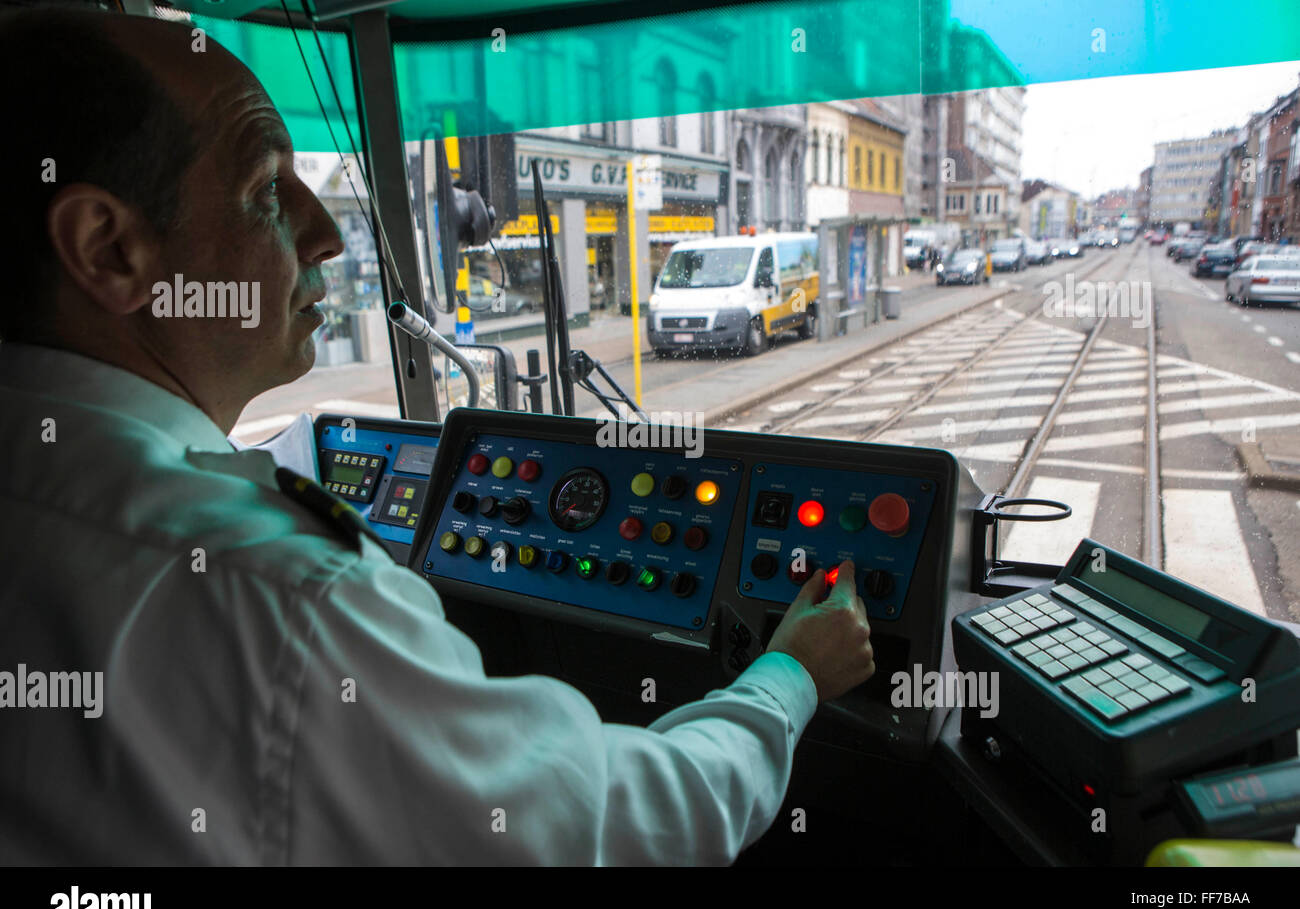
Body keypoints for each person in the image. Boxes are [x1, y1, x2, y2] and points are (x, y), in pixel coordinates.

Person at [0, 8, 875, 865]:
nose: (329, 235)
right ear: (108, 249)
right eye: (267, 188)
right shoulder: (282, 589)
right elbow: (612, 825)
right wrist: (788, 677)